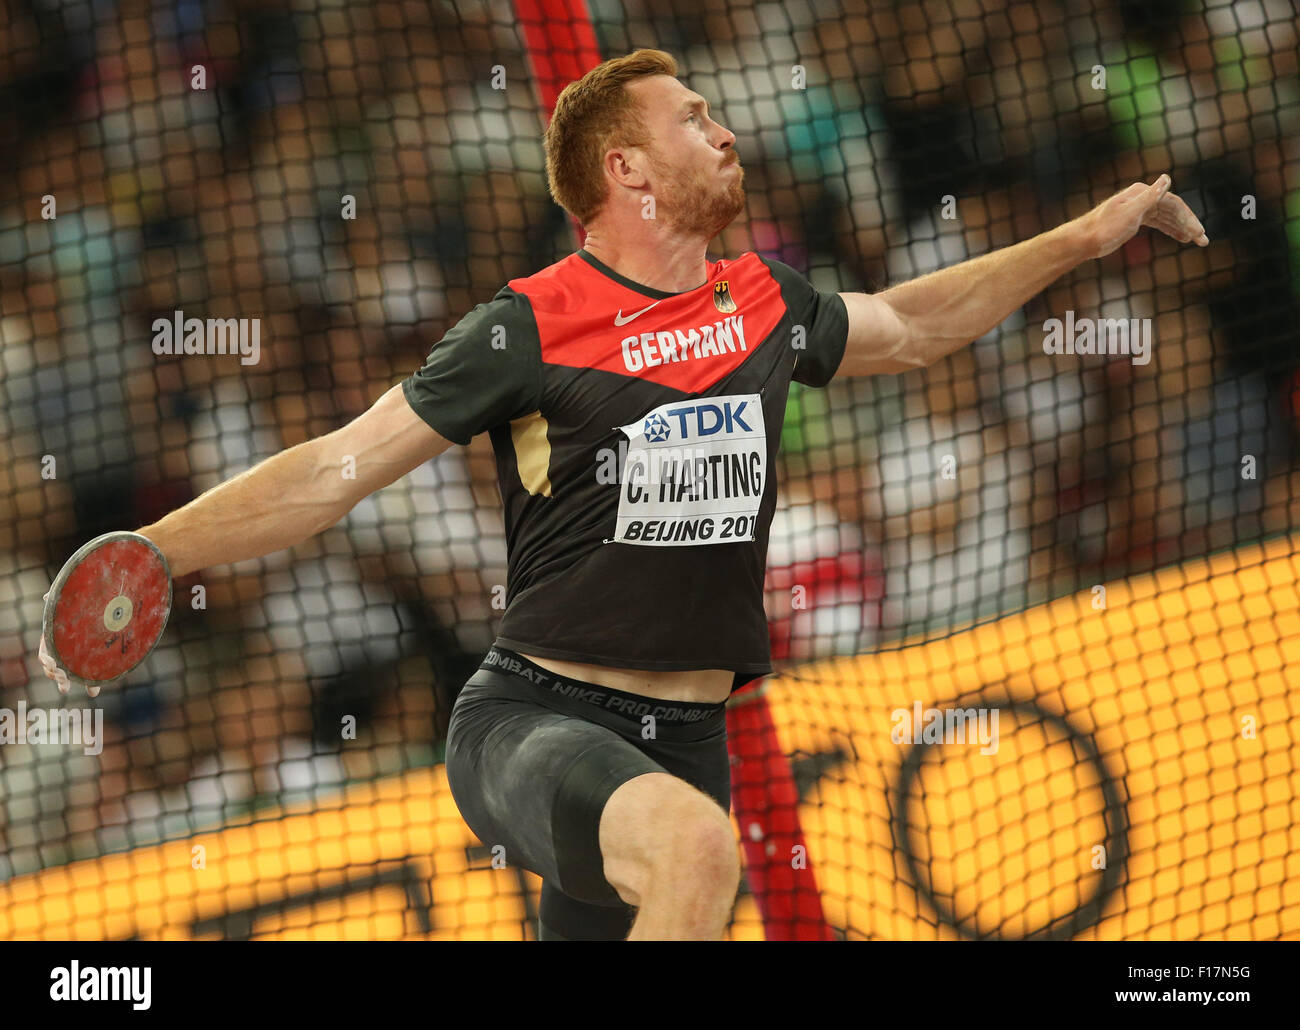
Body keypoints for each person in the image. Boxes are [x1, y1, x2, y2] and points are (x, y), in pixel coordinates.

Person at [39, 48, 1208, 941]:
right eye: (694, 118)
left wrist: (1080, 238)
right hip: (536, 722)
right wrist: (157, 548)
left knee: (687, 846)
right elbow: (338, 466)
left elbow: (911, 328)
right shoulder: (529, 323)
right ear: (627, 169)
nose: (726, 129)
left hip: (685, 741)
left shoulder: (759, 298)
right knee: (702, 854)